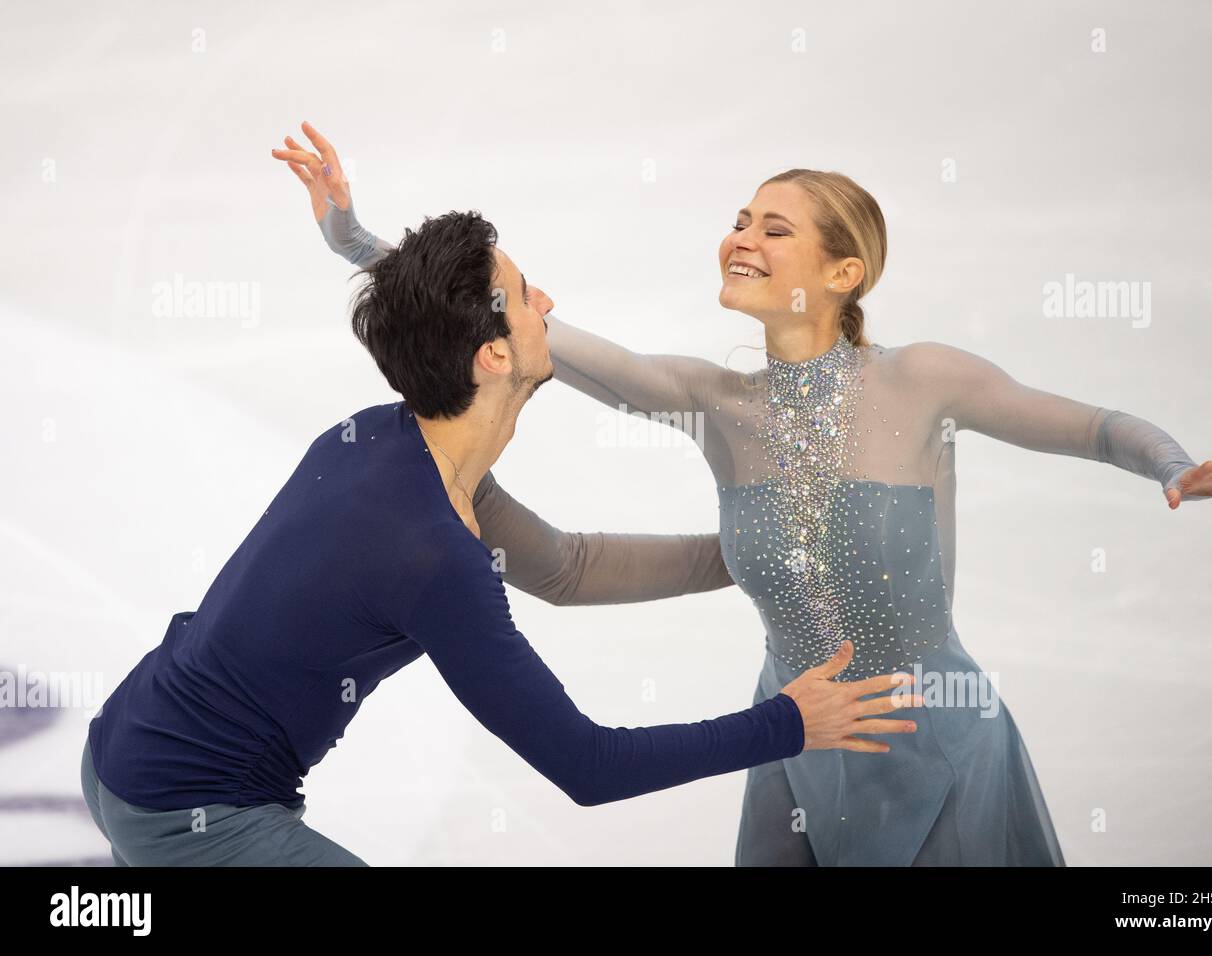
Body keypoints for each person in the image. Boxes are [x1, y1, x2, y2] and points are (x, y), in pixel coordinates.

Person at [283, 120, 1212, 866]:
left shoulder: (923, 379)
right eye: (736, 220)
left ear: (844, 270)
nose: (740, 236)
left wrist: (1170, 462)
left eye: (774, 226)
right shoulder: (715, 402)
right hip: (796, 742)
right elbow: (533, 332)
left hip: (932, 739)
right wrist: (360, 244)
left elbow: (1089, 424)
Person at [80, 203, 927, 867]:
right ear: (491, 355)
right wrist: (788, 722)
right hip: (187, 817)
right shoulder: (431, 555)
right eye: (527, 297)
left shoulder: (384, 437)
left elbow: (565, 566)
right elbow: (587, 767)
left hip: (123, 740)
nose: (548, 305)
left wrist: (742, 558)